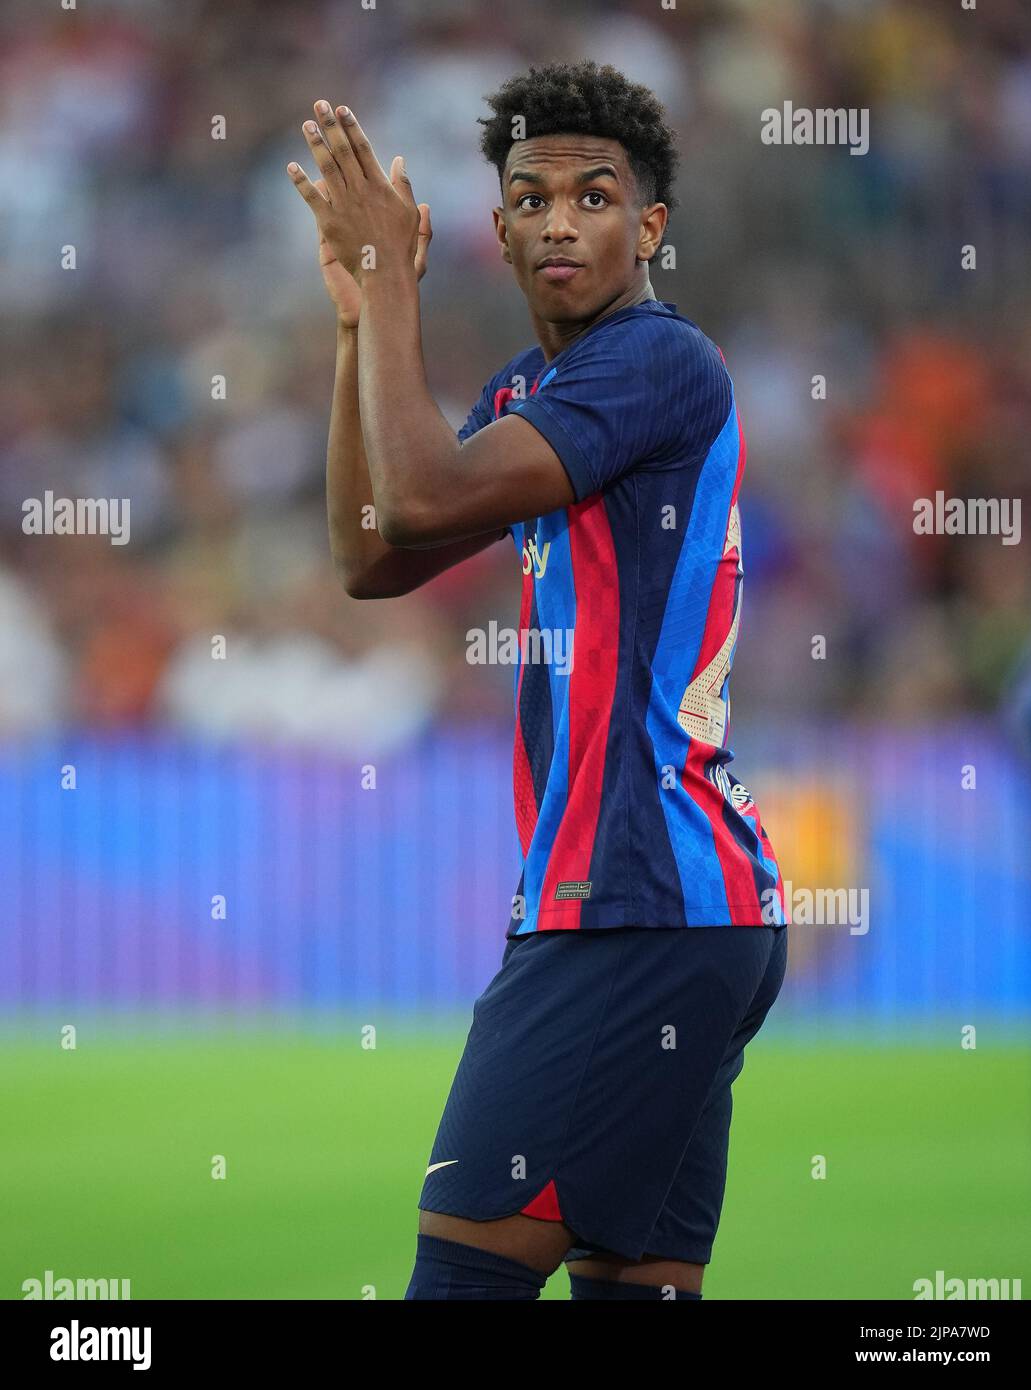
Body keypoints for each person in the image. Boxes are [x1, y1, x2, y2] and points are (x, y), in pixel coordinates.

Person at [288, 60, 787, 1301]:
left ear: (649, 226)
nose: (559, 218)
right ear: (499, 227)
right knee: (635, 1288)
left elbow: (419, 495)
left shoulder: (656, 363)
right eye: (529, 195)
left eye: (594, 195)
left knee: (461, 1274)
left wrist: (390, 289)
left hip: (628, 902)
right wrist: (360, 324)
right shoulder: (535, 391)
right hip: (679, 914)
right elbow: (370, 550)